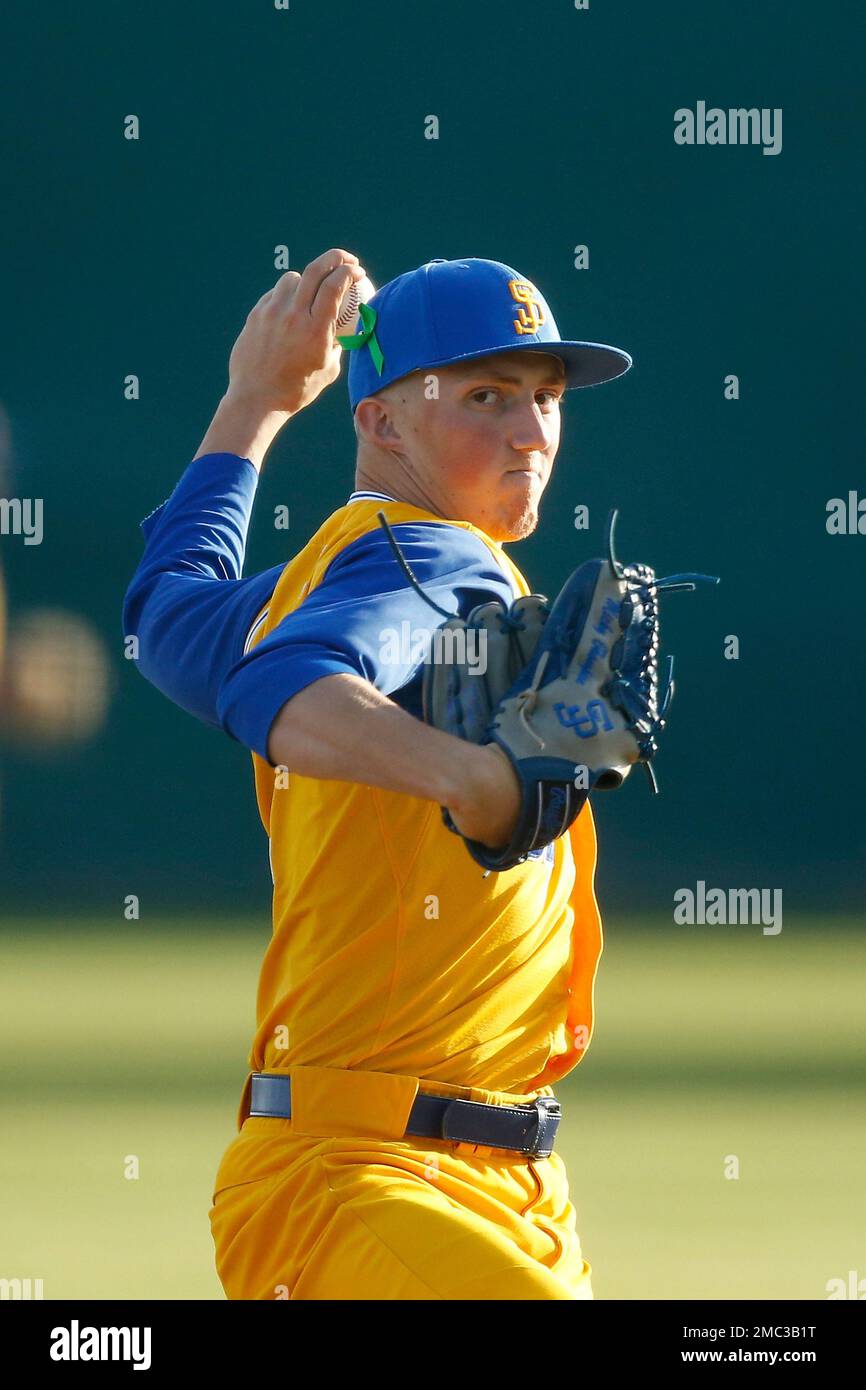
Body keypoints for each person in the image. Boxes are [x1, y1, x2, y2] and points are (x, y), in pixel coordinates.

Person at [122, 249, 632, 1300]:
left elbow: (168, 611)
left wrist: (253, 404)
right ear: (382, 423)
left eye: (543, 398)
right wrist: (471, 779)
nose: (531, 431)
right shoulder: (429, 559)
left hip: (443, 1177)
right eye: (484, 396)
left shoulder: (329, 569)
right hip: (369, 1177)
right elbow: (286, 690)